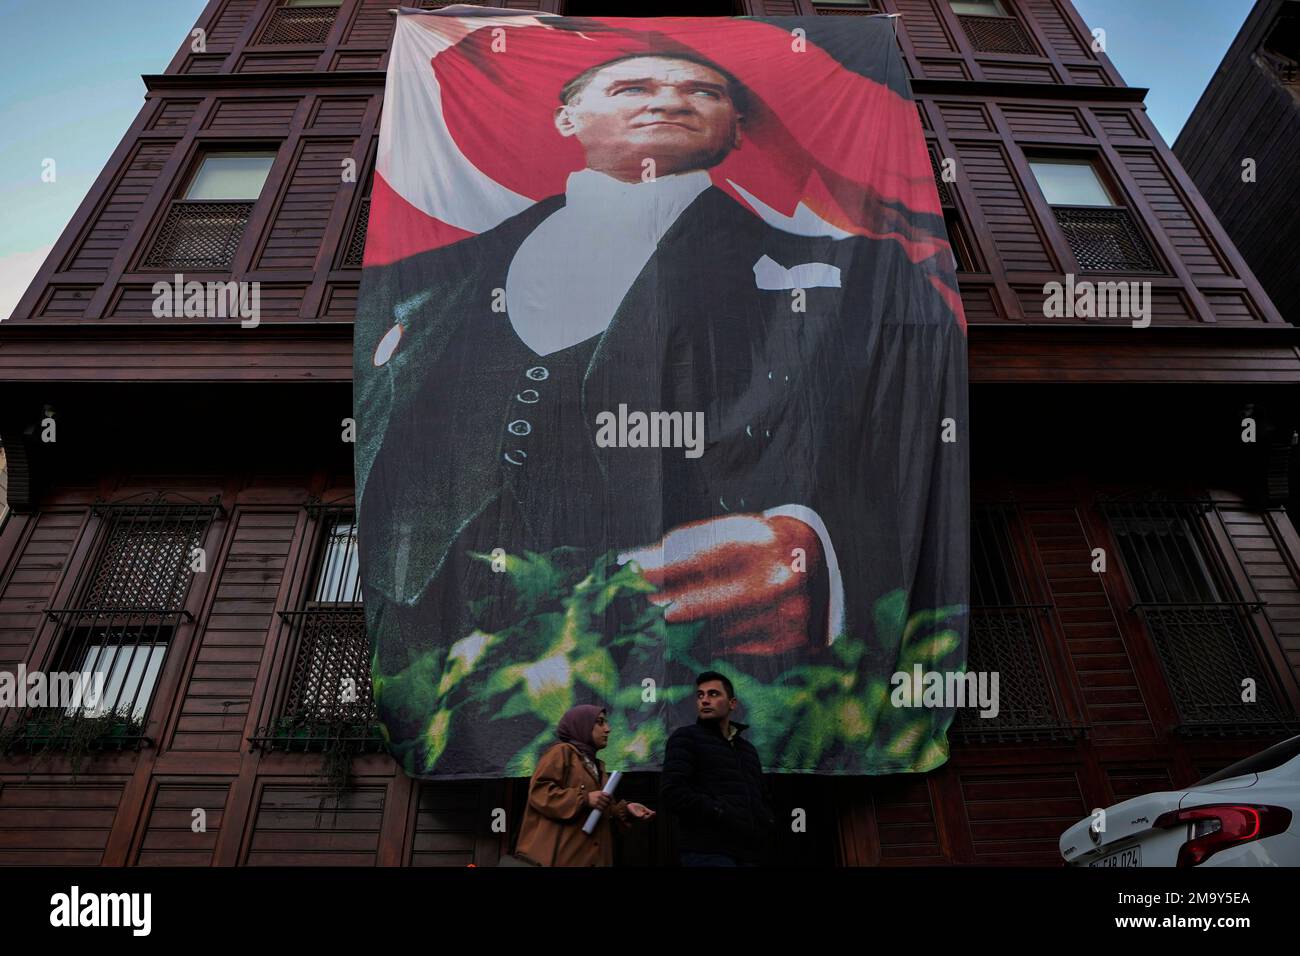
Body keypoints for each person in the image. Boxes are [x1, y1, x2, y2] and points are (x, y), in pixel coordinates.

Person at [355, 50, 962, 772]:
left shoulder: (850, 278)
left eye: (703, 89)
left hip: (697, 686)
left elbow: (910, 451)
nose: (669, 99)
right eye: (633, 85)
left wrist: (824, 556)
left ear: (736, 128)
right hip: (444, 689)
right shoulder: (420, 286)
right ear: (566, 116)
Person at [513, 704, 655, 866]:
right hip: (561, 858)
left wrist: (626, 810)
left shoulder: (598, 767)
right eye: (600, 722)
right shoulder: (561, 752)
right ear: (582, 725)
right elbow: (540, 793)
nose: (607, 729)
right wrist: (584, 798)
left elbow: (602, 812)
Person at [660, 671, 774, 866]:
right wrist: (718, 811)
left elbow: (760, 797)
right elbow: (672, 792)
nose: (704, 700)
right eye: (700, 695)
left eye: (713, 694)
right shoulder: (686, 737)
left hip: (750, 853)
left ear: (732, 703)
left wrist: (765, 824)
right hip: (707, 851)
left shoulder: (747, 750)